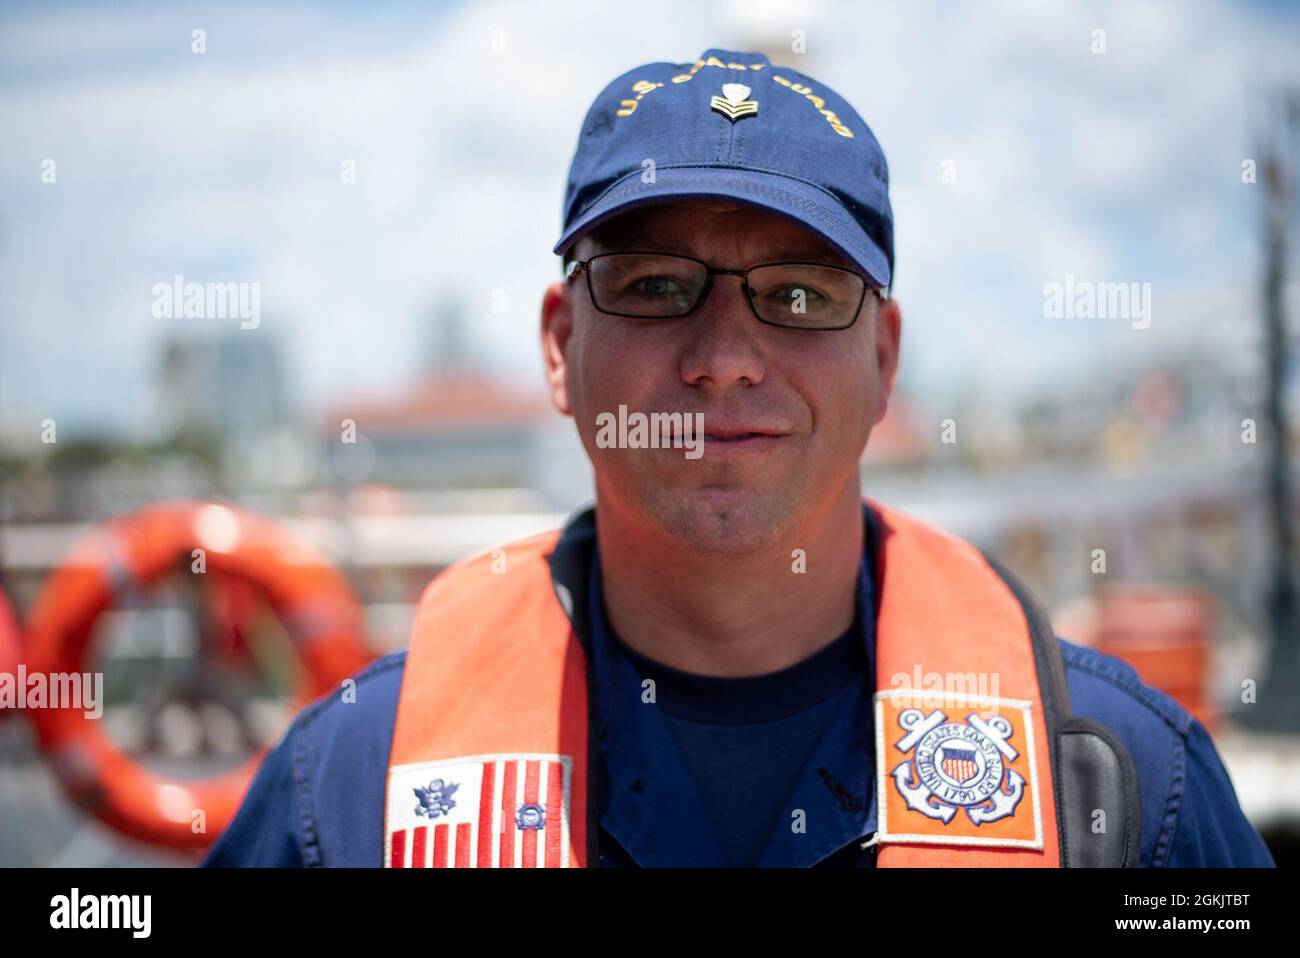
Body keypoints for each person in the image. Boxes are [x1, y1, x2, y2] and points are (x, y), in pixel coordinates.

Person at [204, 47, 1273, 868]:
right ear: (561, 348)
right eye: (656, 286)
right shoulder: (347, 791)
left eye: (800, 295)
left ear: (884, 359)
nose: (722, 360)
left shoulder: (1124, 789)